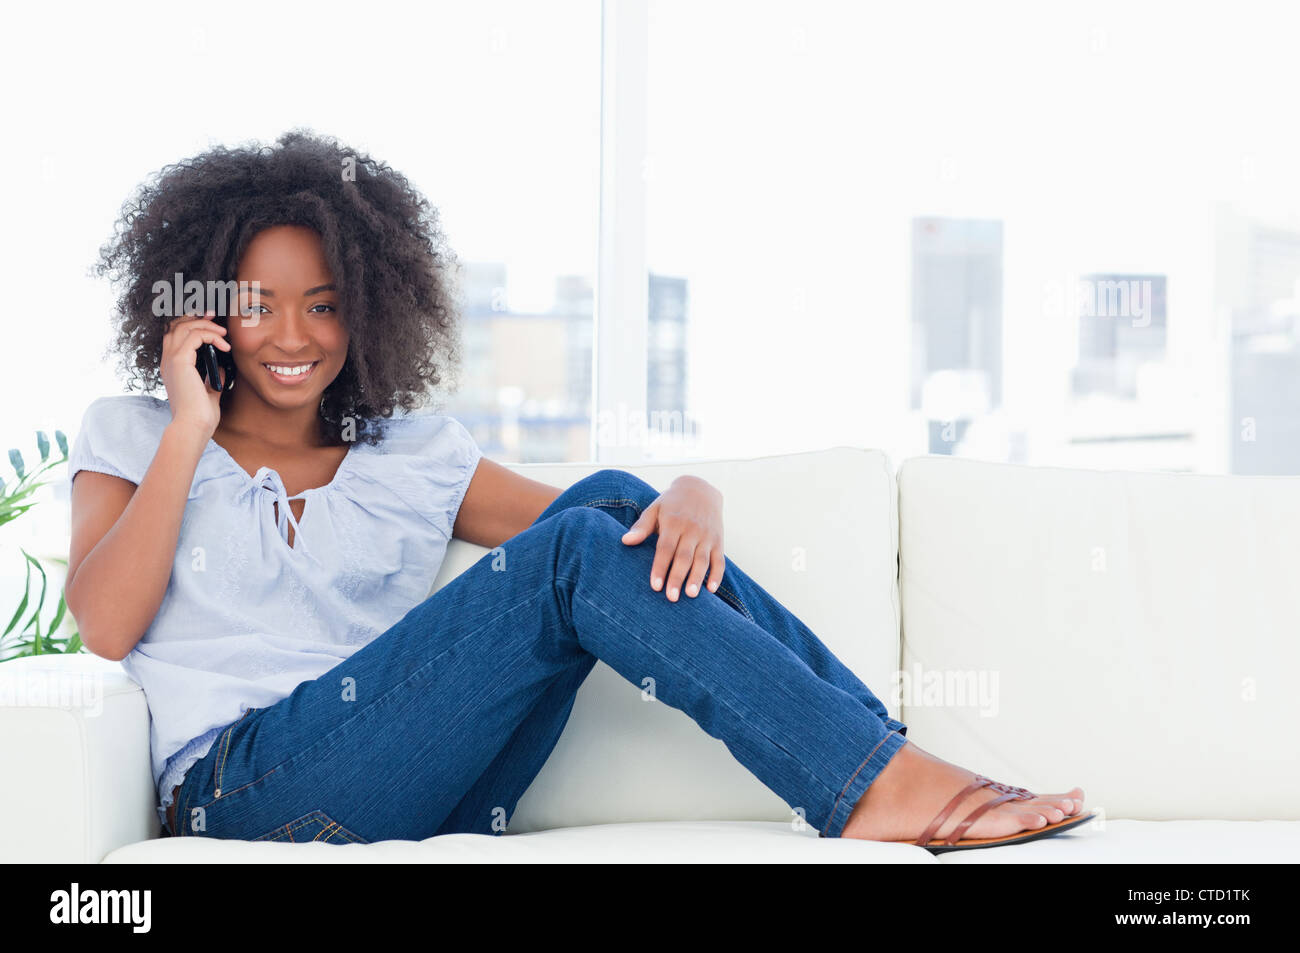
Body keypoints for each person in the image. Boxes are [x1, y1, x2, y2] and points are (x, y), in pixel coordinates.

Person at [65, 130, 1090, 851]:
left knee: (605, 503)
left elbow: (608, 524)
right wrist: (188, 432)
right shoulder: (136, 433)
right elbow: (106, 626)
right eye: (258, 306)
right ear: (208, 310)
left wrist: (690, 490)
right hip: (242, 792)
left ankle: (876, 754)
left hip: (427, 788)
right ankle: (873, 778)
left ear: (370, 309)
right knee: (576, 545)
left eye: (325, 305)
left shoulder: (410, 456)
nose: (294, 337)